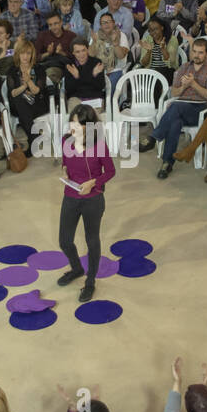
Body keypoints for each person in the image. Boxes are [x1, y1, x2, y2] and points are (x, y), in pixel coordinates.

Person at [58, 104, 116, 302]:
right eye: (71, 122)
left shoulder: (99, 145)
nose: (73, 126)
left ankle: (90, 281)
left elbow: (110, 171)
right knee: (64, 240)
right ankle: (76, 269)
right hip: (71, 195)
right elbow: (66, 161)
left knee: (92, 240)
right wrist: (65, 170)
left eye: (78, 123)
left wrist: (94, 182)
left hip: (93, 199)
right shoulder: (66, 140)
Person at [143, 39, 207, 179]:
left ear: (206, 53)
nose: (196, 55)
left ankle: (154, 137)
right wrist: (184, 87)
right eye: (194, 51)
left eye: (200, 52)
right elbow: (174, 92)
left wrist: (193, 83)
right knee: (175, 121)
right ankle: (167, 163)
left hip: (201, 109)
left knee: (175, 106)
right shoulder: (185, 67)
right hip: (180, 106)